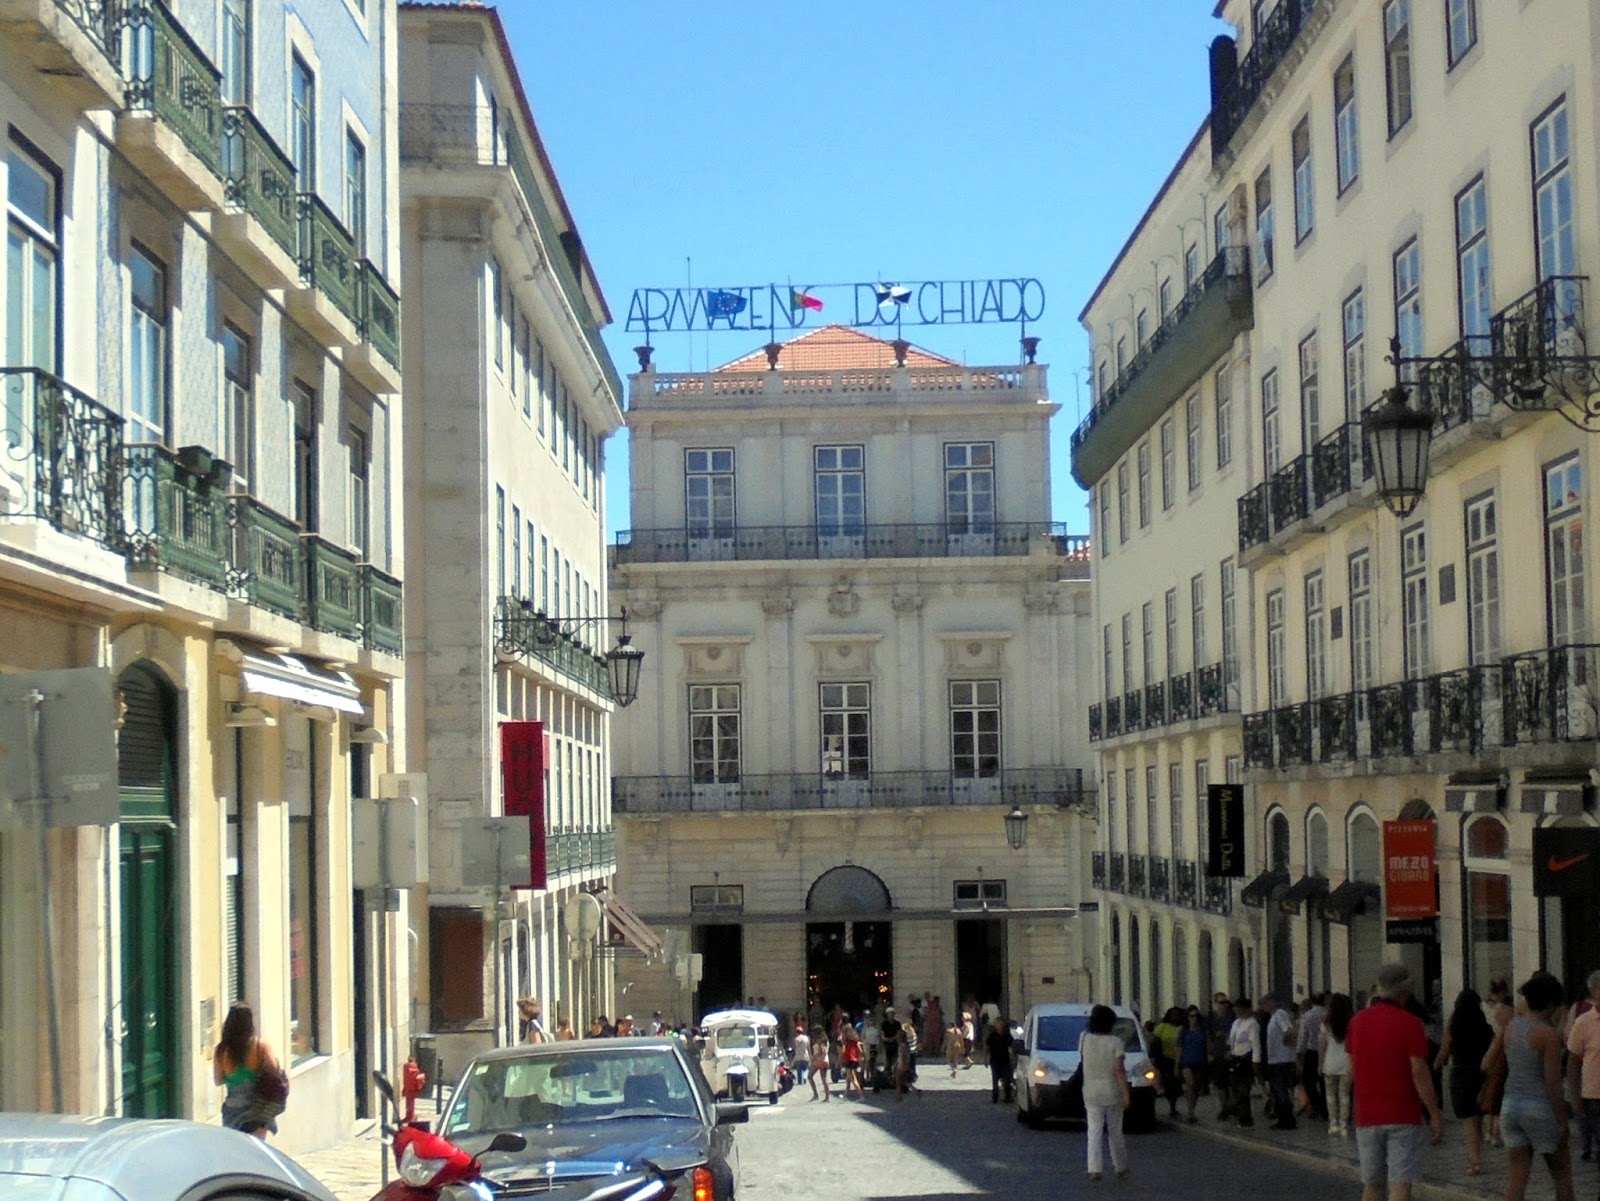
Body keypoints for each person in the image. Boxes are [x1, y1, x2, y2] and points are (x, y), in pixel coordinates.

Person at [1346, 963, 1443, 1201]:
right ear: (1407, 989)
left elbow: (1351, 1070)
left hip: (1367, 1113)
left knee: (1372, 1184)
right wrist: (1433, 1113)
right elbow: (1419, 1071)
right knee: (1400, 1185)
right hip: (1402, 1114)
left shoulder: (1357, 1021)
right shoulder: (1411, 1024)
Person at [1488, 972, 1575, 1201]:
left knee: (1517, 1178)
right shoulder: (1548, 1035)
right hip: (1539, 1107)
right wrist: (1562, 1119)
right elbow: (1552, 1081)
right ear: (1550, 1004)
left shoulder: (1512, 1028)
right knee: (1562, 1175)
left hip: (1510, 1106)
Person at [1434, 988, 1493, 1175]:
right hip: (1481, 1073)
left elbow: (1443, 1054)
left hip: (1460, 1074)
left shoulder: (1453, 1027)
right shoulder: (1486, 1028)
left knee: (1468, 1120)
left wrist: (1435, 1066)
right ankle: (1478, 1157)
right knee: (1479, 1117)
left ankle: (1474, 1161)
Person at [212, 1003, 284, 1139]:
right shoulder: (259, 1046)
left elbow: (218, 1080)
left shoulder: (221, 1050)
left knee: (236, 1148)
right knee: (256, 1149)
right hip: (257, 1108)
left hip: (232, 1109)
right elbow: (274, 1070)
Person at [1081, 1004, 1131, 1181]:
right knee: (1115, 1130)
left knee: (1094, 1130)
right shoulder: (1116, 1042)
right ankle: (1120, 1166)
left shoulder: (1084, 1039)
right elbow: (1119, 1070)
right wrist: (1126, 1094)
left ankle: (1094, 1168)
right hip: (1111, 1090)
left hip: (1090, 1090)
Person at [1566, 969, 1600, 1165]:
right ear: (1595, 992)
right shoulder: (1583, 1022)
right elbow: (1573, 1060)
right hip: (1594, 1095)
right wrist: (1575, 1095)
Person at [1483, 977, 1515, 1146]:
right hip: (1502, 1051)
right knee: (1499, 1091)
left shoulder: (1486, 1007)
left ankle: (1490, 1131)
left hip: (1490, 1051)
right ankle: (1495, 1133)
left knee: (1491, 1090)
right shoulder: (1507, 1011)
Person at [1320, 992, 1354, 1137]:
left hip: (1330, 1062)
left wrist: (1320, 1062)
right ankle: (1344, 1125)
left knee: (1330, 1096)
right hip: (1347, 1063)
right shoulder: (1352, 1022)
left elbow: (1322, 1045)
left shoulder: (1326, 1023)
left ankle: (1333, 1123)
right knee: (1344, 1095)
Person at [1263, 995, 1298, 1130]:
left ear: (1272, 1003)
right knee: (1278, 1090)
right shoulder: (1274, 1016)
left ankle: (1286, 1119)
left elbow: (1289, 1030)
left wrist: (1285, 1041)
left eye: (1265, 1003)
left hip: (1281, 1060)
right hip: (1276, 1059)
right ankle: (1283, 1118)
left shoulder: (1279, 1014)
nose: (1263, 1006)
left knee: (1281, 1090)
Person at [1226, 996, 1262, 1127]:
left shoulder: (1252, 1024)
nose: (1236, 1011)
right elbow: (1232, 1040)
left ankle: (1245, 1118)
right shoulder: (1236, 1023)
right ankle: (1239, 1115)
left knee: (1243, 1091)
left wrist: (1255, 1061)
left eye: (1238, 1009)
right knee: (1234, 1088)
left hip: (1246, 1059)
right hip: (1235, 1058)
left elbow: (1255, 1044)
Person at [1296, 991, 1327, 1121]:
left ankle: (1317, 1105)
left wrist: (1299, 1052)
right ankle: (1326, 1108)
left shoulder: (1307, 1016)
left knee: (1309, 1081)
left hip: (1312, 1051)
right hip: (1327, 1051)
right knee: (1324, 1081)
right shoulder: (1327, 1014)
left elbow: (1303, 1035)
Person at [1178, 1006, 1208, 1124]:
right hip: (1187, 1062)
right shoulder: (1184, 1032)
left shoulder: (1202, 1031)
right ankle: (1190, 1111)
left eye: (1196, 1016)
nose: (1194, 1019)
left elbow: (1207, 1045)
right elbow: (1179, 1048)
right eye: (1191, 1016)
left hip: (1200, 1061)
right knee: (1190, 1084)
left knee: (1196, 1088)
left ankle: (1192, 1109)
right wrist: (1177, 1064)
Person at [1153, 1007, 1184, 1119]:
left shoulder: (1182, 1028)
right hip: (1164, 1059)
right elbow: (1155, 1042)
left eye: (1177, 1015)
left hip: (1178, 1059)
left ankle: (1173, 1106)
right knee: (1167, 1082)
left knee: (1175, 1084)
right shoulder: (1162, 1027)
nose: (1175, 1017)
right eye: (1173, 1015)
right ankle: (1170, 1104)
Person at [1207, 995, 1235, 1118]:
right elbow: (1208, 1036)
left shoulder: (1232, 1017)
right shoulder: (1212, 1018)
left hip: (1231, 1054)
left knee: (1233, 1083)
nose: (1225, 1005)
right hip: (1218, 1055)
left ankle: (1233, 1106)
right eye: (1221, 1002)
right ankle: (1224, 1108)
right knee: (1221, 1084)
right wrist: (1209, 1053)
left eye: (1226, 1002)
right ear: (1216, 1004)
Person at [984, 1014, 1015, 1103]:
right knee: (995, 1079)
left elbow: (1012, 1046)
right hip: (994, 1060)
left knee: (1007, 1079)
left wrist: (1013, 1057)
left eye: (1000, 1023)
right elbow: (987, 1047)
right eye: (997, 1023)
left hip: (1005, 1060)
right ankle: (995, 1097)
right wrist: (985, 1059)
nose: (999, 1025)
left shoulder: (1007, 1035)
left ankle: (1007, 1097)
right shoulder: (992, 1035)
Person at [840, 1022, 865, 1099]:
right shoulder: (855, 1041)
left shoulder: (846, 1042)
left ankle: (861, 1096)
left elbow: (843, 1051)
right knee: (848, 1078)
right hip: (854, 1060)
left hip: (849, 1060)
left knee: (853, 1079)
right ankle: (845, 1095)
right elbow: (861, 1051)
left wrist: (841, 1058)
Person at [808, 1027, 831, 1101]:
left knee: (810, 1076)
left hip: (819, 1061)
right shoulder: (826, 1041)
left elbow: (821, 1052)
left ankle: (816, 1095)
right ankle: (826, 1097)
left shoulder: (820, 1041)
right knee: (824, 1079)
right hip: (824, 1060)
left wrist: (813, 1057)